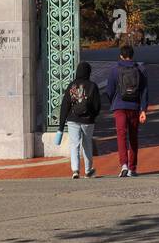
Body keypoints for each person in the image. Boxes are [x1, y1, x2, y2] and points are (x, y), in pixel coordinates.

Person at [106, 43, 149, 177]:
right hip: (134, 106)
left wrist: (113, 102)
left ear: (121, 56)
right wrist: (143, 109)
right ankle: (132, 168)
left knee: (121, 135)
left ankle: (123, 164)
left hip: (119, 106)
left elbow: (109, 90)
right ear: (132, 55)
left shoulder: (114, 70)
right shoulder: (141, 69)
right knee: (133, 137)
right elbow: (144, 91)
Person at [58, 61, 101, 178]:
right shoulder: (92, 86)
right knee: (87, 144)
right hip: (88, 121)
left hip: (73, 119)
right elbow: (97, 106)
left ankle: (75, 170)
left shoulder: (72, 86)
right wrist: (92, 116)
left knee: (74, 144)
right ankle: (88, 170)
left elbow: (65, 106)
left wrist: (61, 126)